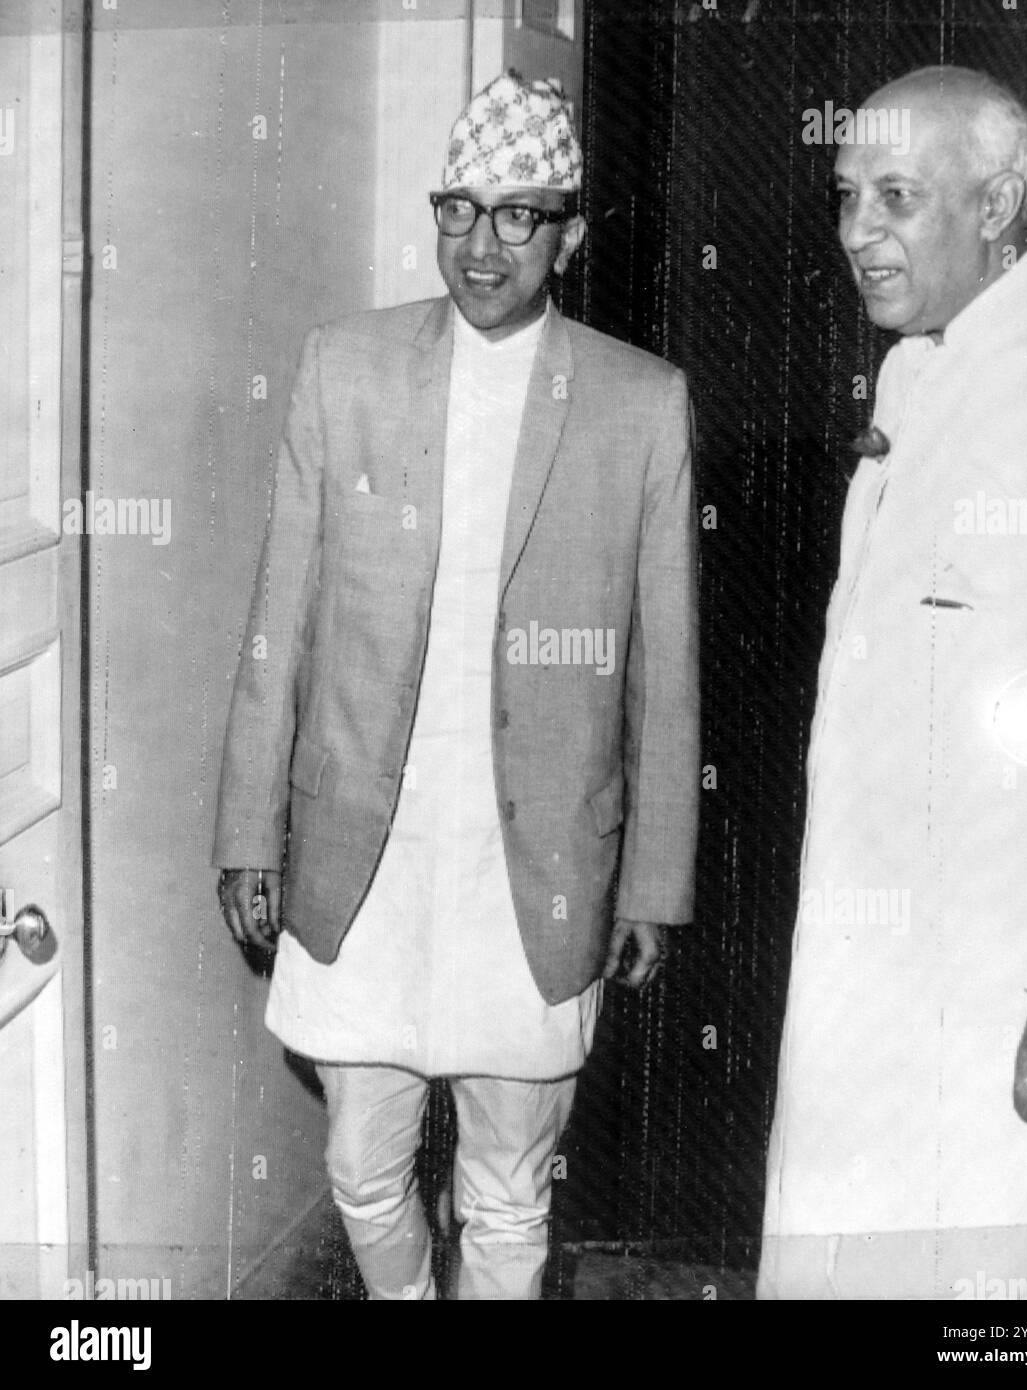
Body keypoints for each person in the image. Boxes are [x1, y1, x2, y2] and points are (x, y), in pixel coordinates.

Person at [213, 71, 699, 1301]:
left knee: (506, 1189)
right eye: (459, 209)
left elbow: (668, 667)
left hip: (531, 870)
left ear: (571, 235)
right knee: (361, 1167)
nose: (482, 245)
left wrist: (654, 879)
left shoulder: (642, 404)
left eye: (520, 215)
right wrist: (244, 830)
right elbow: (280, 621)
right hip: (359, 855)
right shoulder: (343, 366)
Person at [760, 65, 1027, 1298]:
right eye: (849, 193)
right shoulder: (919, 365)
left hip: (989, 1001)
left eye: (899, 195)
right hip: (872, 985)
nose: (859, 229)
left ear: (1004, 201)